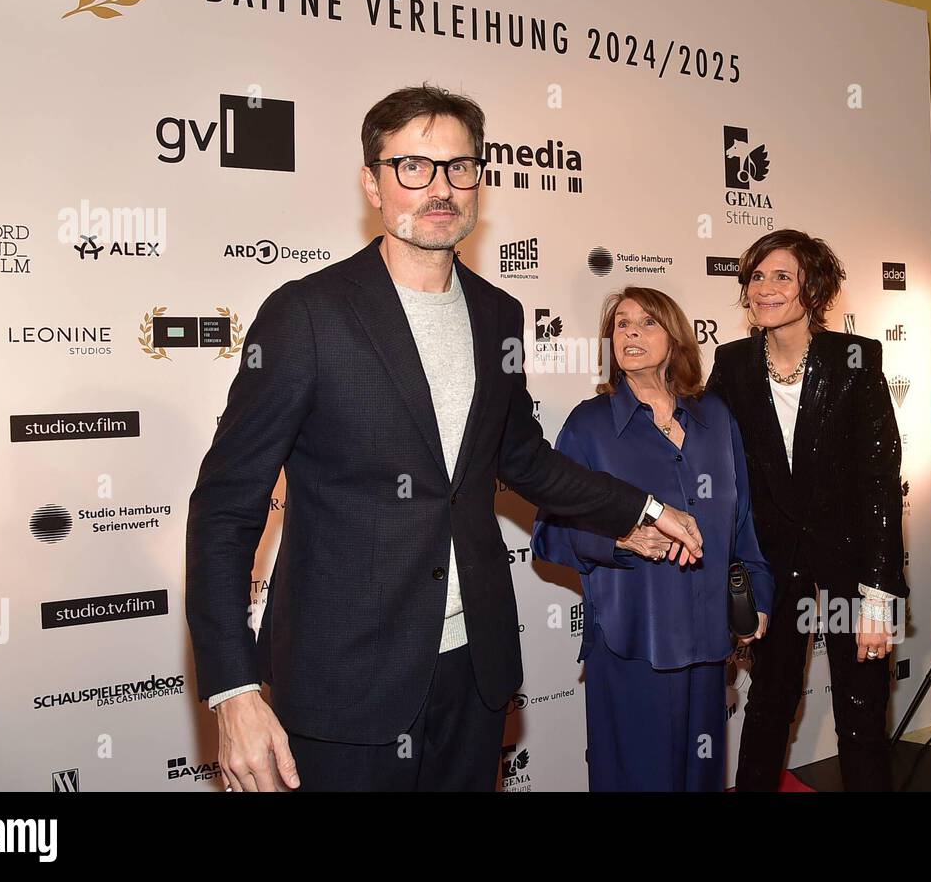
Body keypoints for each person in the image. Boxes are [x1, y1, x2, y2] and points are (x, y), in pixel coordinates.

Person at [185, 84, 702, 792]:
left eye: (460, 167)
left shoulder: (499, 315)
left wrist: (639, 511)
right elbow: (225, 507)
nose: (440, 187)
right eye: (413, 167)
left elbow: (521, 456)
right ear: (372, 180)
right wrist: (232, 687)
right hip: (346, 683)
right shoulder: (306, 314)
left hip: (474, 668)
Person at [532, 287, 772, 791]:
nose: (631, 333)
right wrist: (624, 539)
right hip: (630, 645)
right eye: (621, 324)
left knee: (701, 780)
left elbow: (744, 522)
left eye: (647, 323)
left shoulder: (717, 421)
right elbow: (548, 533)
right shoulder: (589, 428)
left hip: (710, 645)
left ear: (676, 338)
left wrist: (757, 600)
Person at [705, 229, 907, 791]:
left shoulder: (855, 358)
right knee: (768, 704)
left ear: (813, 288)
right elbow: (719, 470)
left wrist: (879, 596)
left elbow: (880, 484)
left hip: (851, 560)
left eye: (781, 276)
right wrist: (736, 584)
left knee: (862, 710)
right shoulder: (734, 363)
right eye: (755, 277)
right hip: (772, 561)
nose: (763, 289)